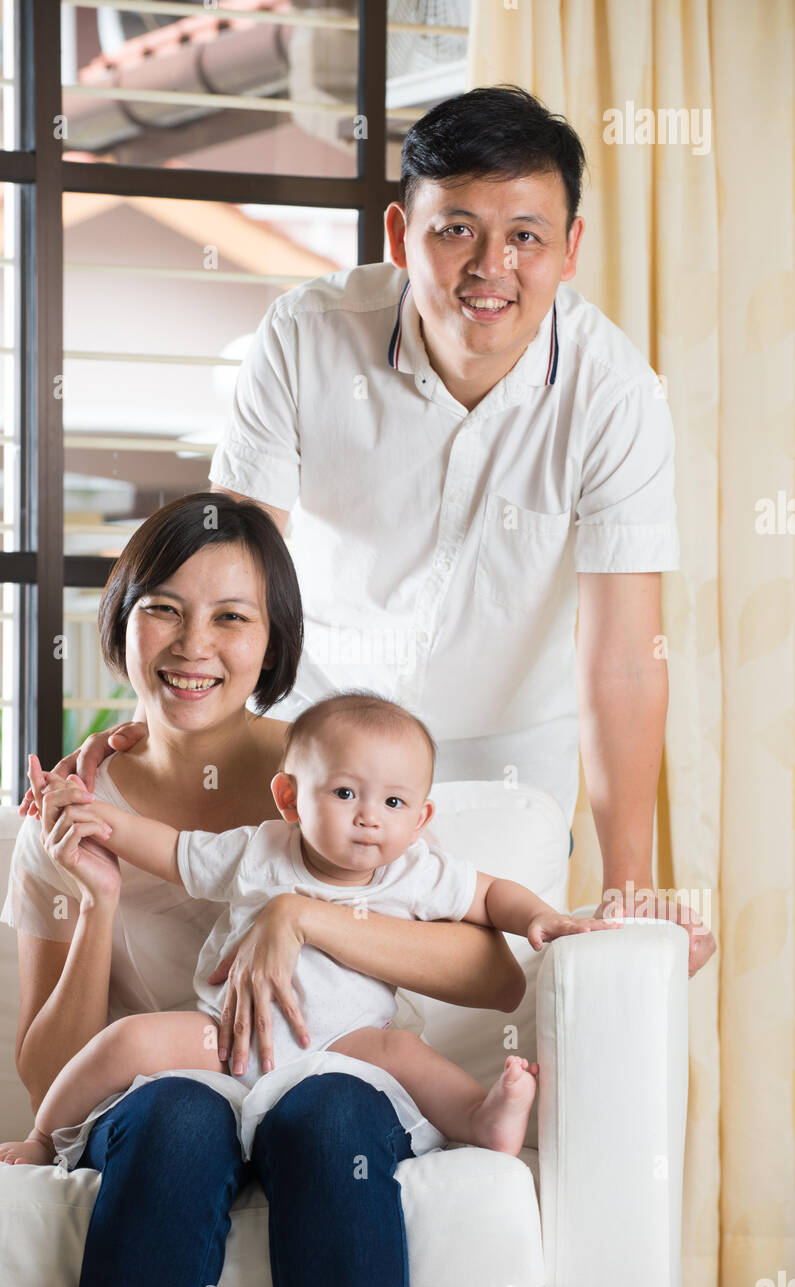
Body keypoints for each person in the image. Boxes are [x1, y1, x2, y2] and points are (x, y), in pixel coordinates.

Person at [39, 85, 714, 1022]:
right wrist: (157, 724)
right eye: (456, 231)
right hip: (319, 732)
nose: (490, 267)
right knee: (287, 993)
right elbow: (227, 564)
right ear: (400, 234)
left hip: (512, 744)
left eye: (525, 235)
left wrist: (632, 884)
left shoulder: (616, 395)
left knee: (481, 1008)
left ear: (569, 249)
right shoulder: (306, 336)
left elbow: (622, 656)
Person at [2, 492, 527, 1287]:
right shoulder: (74, 809)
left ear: (273, 638)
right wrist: (97, 906)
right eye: (163, 609)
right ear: (121, 619)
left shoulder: (339, 771)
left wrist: (306, 916)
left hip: (328, 1074)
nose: (193, 646)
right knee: (180, 1119)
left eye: (232, 619)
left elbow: (491, 975)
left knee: (329, 1114)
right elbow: (47, 1079)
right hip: (173, 1083)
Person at [0, 691, 621, 1175]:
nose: (370, 817)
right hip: (227, 1040)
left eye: (394, 804)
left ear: (421, 816)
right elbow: (167, 847)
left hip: (348, 1045)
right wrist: (89, 812)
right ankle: (44, 1137)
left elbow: (488, 895)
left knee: (405, 1054)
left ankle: (484, 1121)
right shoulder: (261, 849)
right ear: (289, 798)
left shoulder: (413, 870)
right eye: (345, 793)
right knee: (130, 1040)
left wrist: (538, 914)